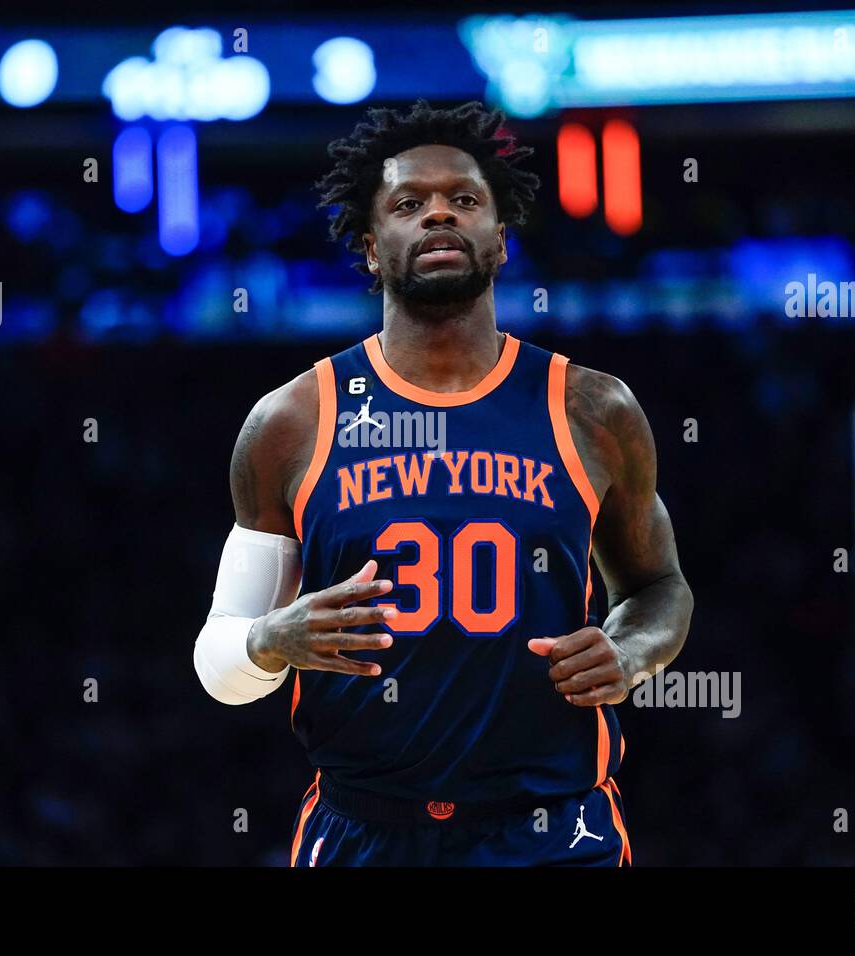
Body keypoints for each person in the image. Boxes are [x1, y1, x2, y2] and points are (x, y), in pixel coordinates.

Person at [194, 100, 693, 866]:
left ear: (500, 238)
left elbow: (660, 589)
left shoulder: (593, 408)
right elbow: (219, 660)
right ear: (368, 247)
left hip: (552, 829)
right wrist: (272, 639)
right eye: (407, 203)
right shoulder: (291, 422)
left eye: (463, 200)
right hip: (363, 827)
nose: (437, 216)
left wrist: (628, 655)